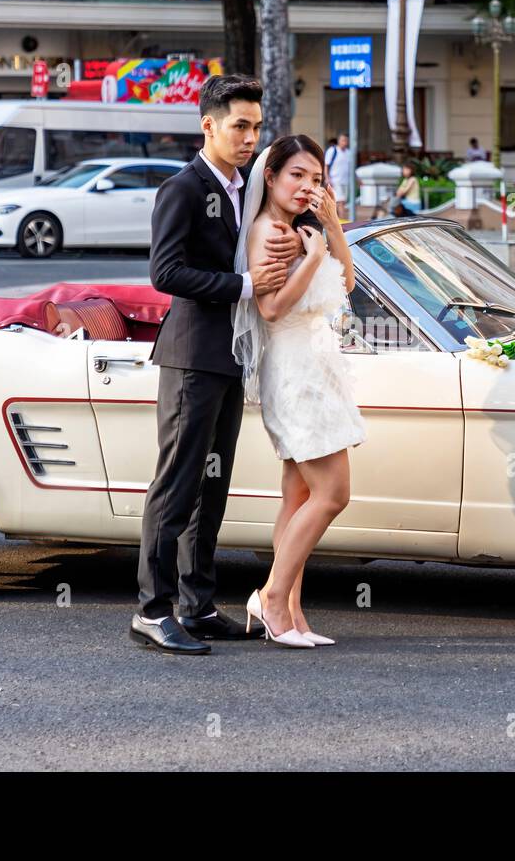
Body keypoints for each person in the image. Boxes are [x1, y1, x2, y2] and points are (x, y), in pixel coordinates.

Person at [131, 74, 303, 656]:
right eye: (240, 126)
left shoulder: (244, 189)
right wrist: (246, 285)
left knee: (212, 485)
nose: (251, 137)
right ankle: (152, 611)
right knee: (176, 484)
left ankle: (197, 604)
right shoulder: (182, 188)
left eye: (256, 126)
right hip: (190, 360)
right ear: (208, 125)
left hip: (229, 357)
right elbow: (166, 273)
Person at [233, 135, 367, 648]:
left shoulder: (302, 230)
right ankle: (271, 598)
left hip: (317, 366)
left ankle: (290, 609)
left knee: (299, 495)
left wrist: (330, 226)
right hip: (293, 372)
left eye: (316, 178)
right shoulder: (269, 231)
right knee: (334, 494)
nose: (307, 186)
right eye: (297, 176)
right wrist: (310, 259)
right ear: (270, 177)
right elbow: (269, 310)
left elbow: (348, 283)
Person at [324, 132, 352, 218]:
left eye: (346, 140)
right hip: (335, 180)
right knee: (341, 202)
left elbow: (351, 167)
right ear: (339, 141)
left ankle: (335, 220)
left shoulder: (349, 152)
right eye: (343, 140)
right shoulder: (332, 151)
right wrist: (327, 178)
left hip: (346, 181)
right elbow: (326, 165)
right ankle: (342, 223)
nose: (345, 142)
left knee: (337, 202)